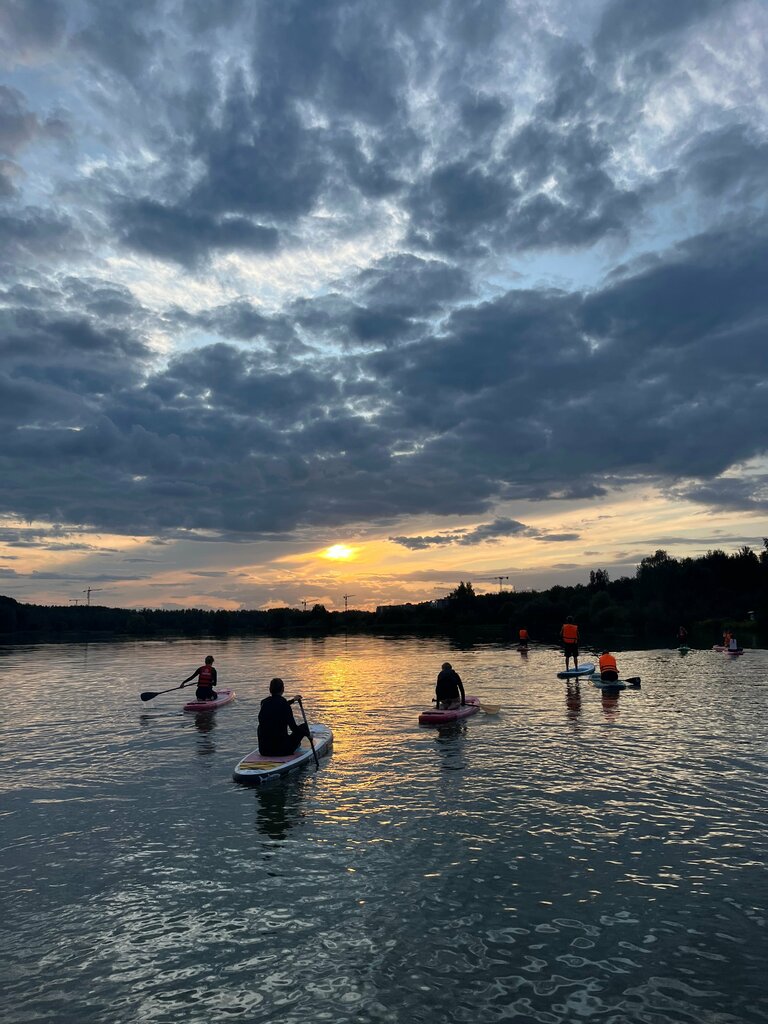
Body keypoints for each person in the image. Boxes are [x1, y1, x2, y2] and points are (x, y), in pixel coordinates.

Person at [257, 677, 310, 756]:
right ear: (283, 689)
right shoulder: (284, 704)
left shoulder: (264, 703)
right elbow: (293, 728)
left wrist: (293, 700)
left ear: (270, 689)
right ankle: (295, 746)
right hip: (282, 750)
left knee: (261, 727)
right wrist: (308, 734)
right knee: (303, 727)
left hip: (264, 750)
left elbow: (276, 707)